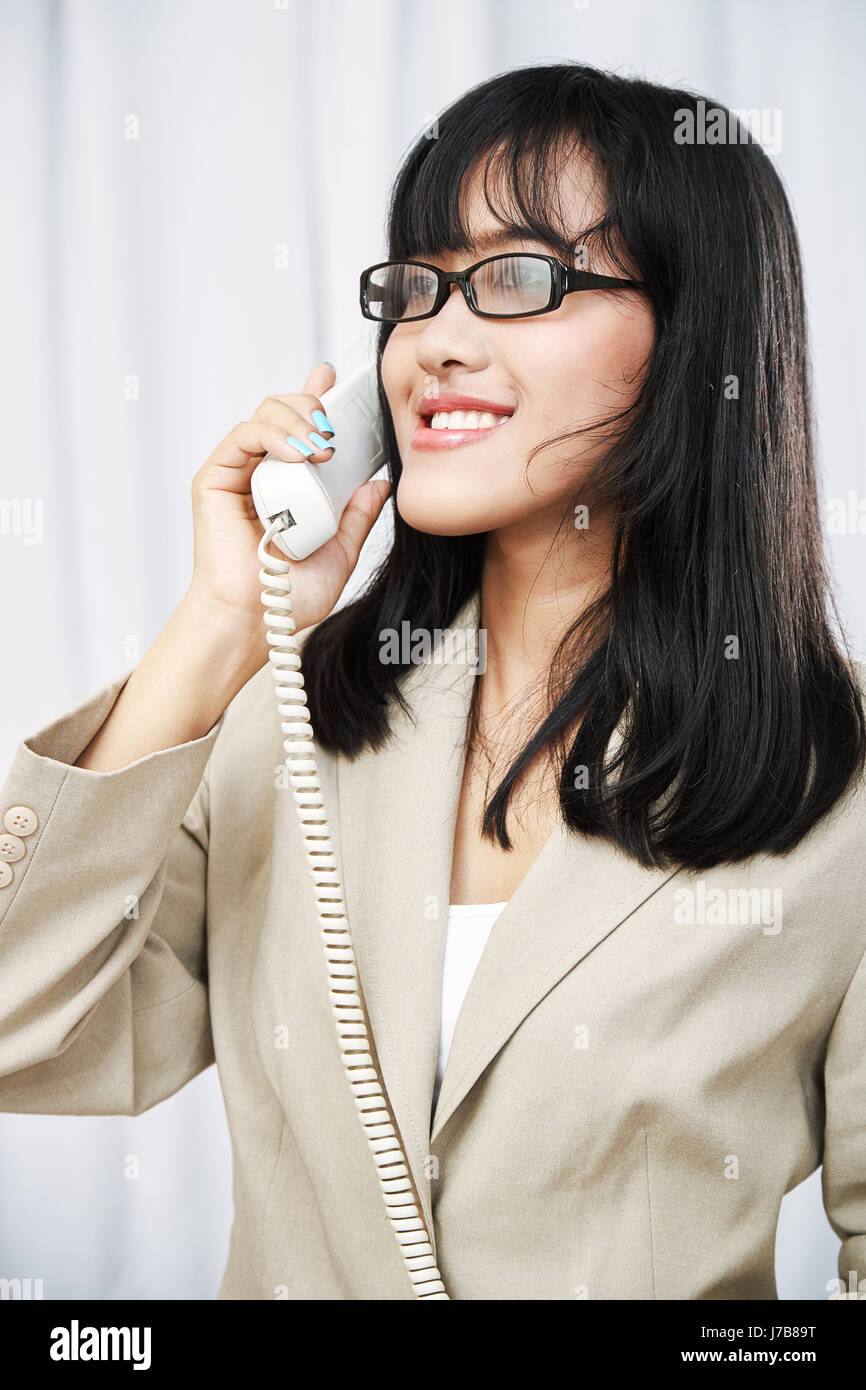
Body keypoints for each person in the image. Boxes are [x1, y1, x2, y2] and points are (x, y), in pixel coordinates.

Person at [1, 62, 864, 1301]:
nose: (436, 342)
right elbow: (18, 1027)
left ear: (693, 334)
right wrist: (216, 628)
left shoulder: (836, 772)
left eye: (520, 276)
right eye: (420, 285)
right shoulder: (285, 725)